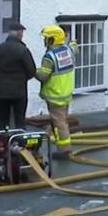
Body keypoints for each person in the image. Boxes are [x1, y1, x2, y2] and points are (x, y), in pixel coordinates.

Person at [35, 25, 75, 159]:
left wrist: (32, 71)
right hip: (66, 94)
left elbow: (43, 76)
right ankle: (48, 139)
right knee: (61, 121)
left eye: (46, 38)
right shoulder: (69, 50)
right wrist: (72, 41)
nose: (44, 41)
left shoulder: (49, 57)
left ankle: (64, 150)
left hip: (54, 95)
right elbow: (76, 48)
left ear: (52, 39)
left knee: (60, 123)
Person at [0, 22, 36, 130]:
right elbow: (32, 71)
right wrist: (23, 78)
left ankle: (3, 143)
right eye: (22, 33)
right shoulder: (22, 50)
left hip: (1, 92)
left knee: (3, 120)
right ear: (19, 33)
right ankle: (19, 144)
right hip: (19, 92)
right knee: (20, 120)